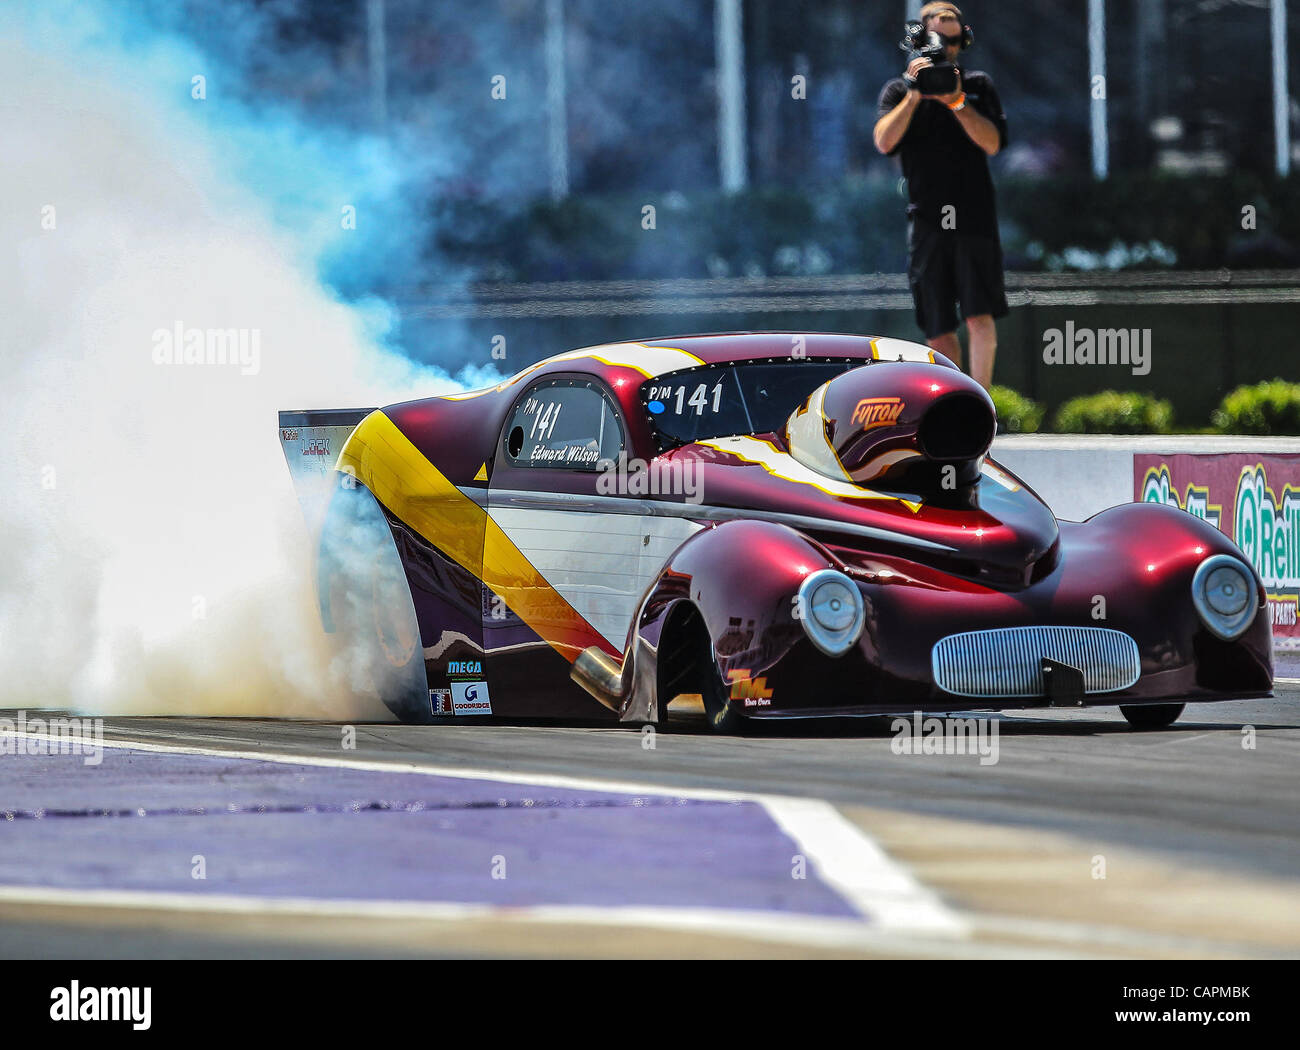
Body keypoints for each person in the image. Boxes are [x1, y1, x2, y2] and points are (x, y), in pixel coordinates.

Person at [873, 2, 1008, 390]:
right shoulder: (899, 90)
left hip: (974, 215)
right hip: (927, 218)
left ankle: (983, 405)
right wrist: (916, 94)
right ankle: (953, 401)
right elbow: (884, 142)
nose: (944, 50)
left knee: (979, 315)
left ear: (962, 41)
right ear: (919, 41)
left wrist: (957, 102)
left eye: (951, 41)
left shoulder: (977, 86)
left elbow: (994, 143)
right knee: (936, 324)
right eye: (936, 41)